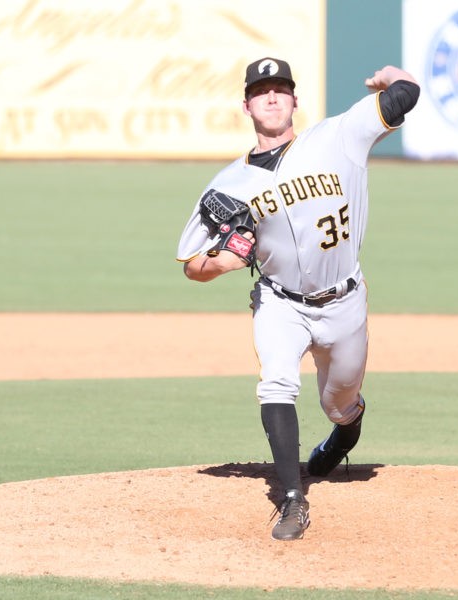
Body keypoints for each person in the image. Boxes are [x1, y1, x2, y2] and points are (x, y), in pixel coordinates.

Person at [176, 57, 419, 541]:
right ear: (246, 105)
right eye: (261, 90)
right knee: (276, 384)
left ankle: (345, 433)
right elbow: (191, 265)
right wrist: (222, 263)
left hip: (344, 301)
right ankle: (292, 499)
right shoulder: (227, 183)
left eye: (281, 89)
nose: (271, 96)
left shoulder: (338, 137)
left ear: (294, 101)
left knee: (339, 403)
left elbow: (406, 94)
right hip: (279, 301)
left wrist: (389, 76)